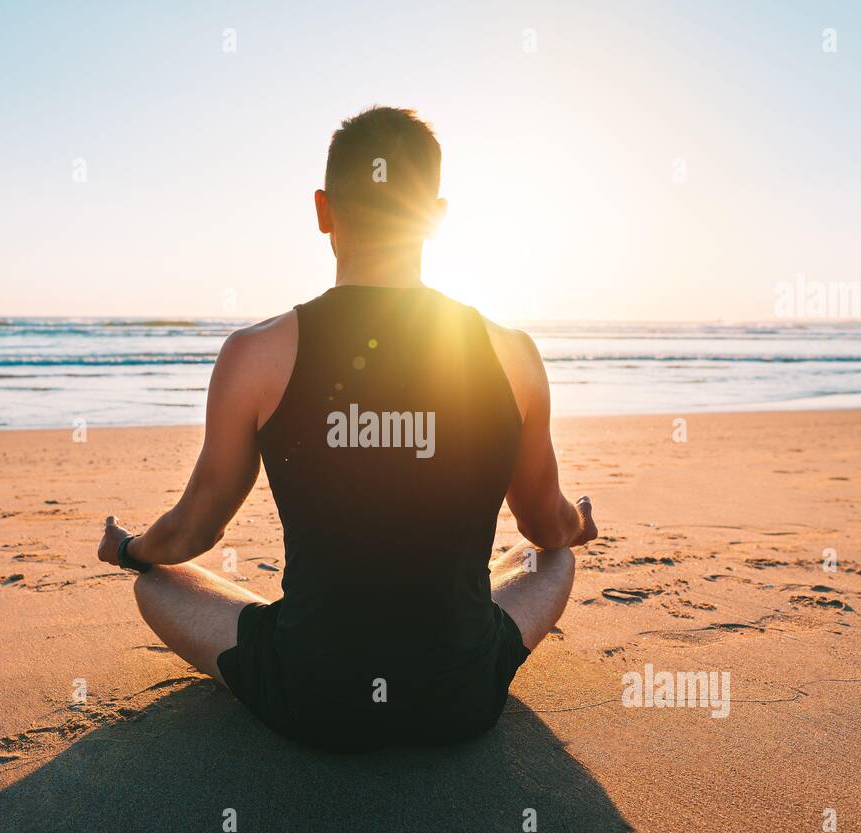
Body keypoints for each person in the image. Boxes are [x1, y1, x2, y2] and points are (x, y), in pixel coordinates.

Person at [97, 106, 596, 752]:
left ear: (323, 210)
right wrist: (576, 526)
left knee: (157, 584)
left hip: (312, 698)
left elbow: (193, 528)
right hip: (460, 697)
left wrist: (131, 548)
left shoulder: (257, 355)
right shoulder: (512, 353)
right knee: (550, 560)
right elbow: (544, 525)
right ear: (436, 217)